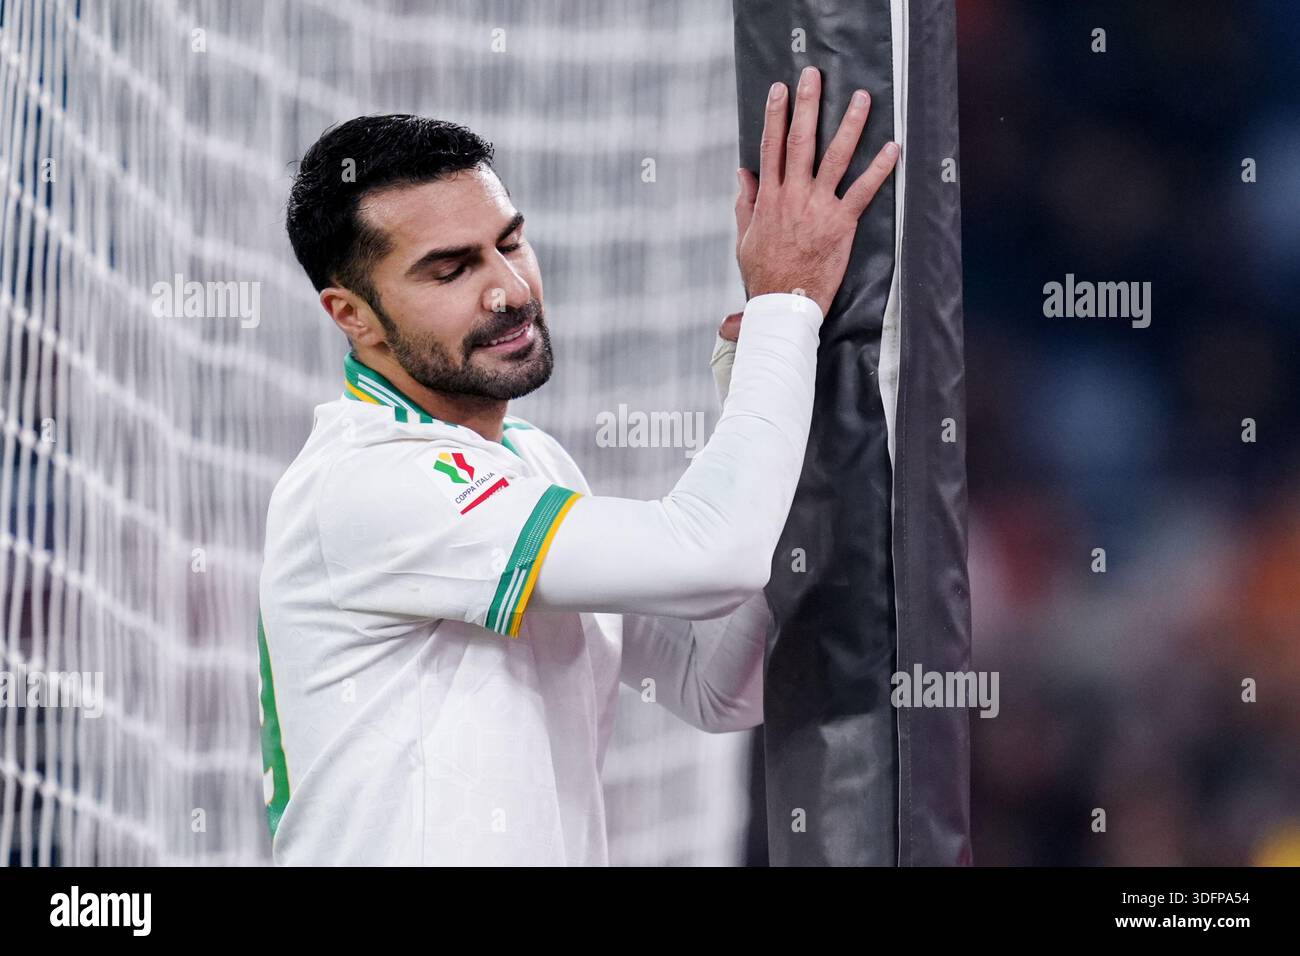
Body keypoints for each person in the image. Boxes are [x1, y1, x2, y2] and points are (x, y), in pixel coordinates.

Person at [258, 65, 898, 864]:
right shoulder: (367, 481)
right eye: (451, 269)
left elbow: (715, 687)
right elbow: (713, 554)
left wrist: (774, 398)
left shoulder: (531, 461)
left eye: (510, 242)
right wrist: (785, 304)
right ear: (352, 317)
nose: (506, 289)